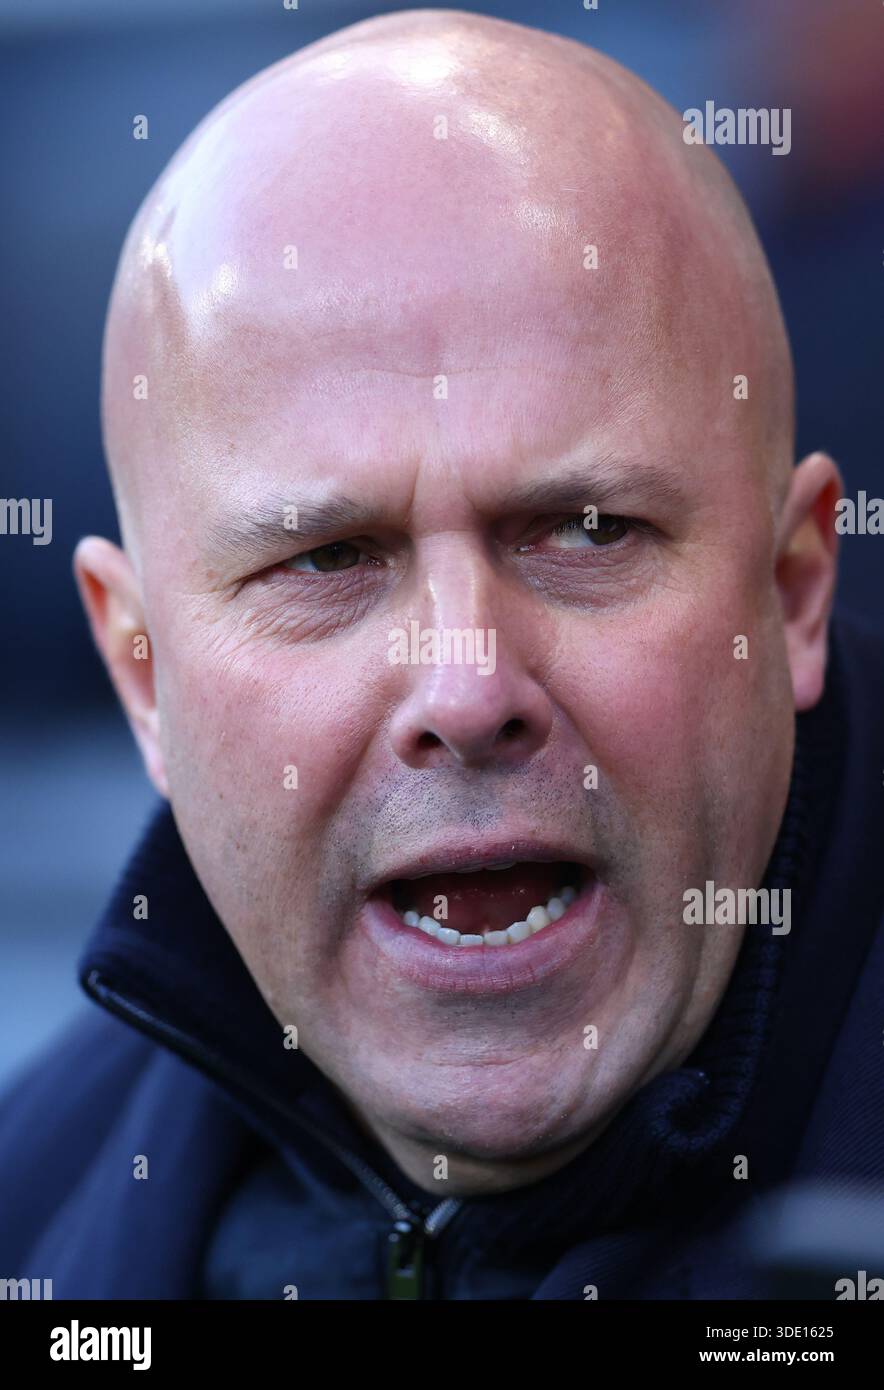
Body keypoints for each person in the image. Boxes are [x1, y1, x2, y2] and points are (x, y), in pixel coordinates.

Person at [1, 9, 882, 1300]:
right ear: (144, 673)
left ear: (793, 589)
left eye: (586, 530)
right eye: (327, 559)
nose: (468, 688)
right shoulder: (36, 1222)